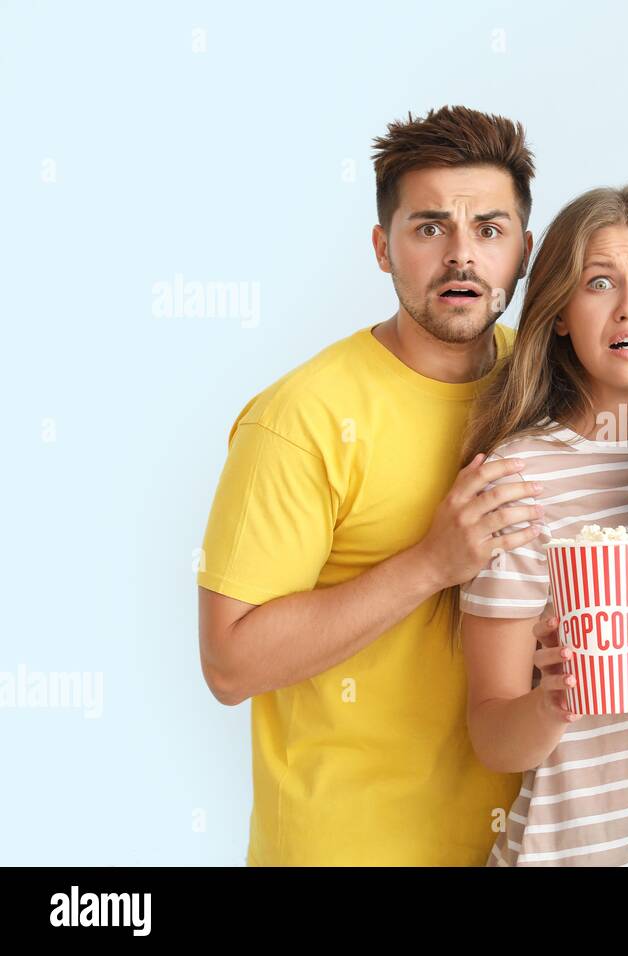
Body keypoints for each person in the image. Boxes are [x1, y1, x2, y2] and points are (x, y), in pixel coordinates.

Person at [196, 105, 545, 865]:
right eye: (429, 228)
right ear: (384, 248)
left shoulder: (545, 388)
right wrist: (430, 563)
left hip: (518, 850)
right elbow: (229, 664)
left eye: (489, 229)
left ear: (524, 249)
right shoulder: (301, 418)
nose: (461, 256)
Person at [457, 183, 628, 865]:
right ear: (562, 314)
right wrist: (552, 703)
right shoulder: (517, 478)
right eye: (599, 283)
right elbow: (491, 732)